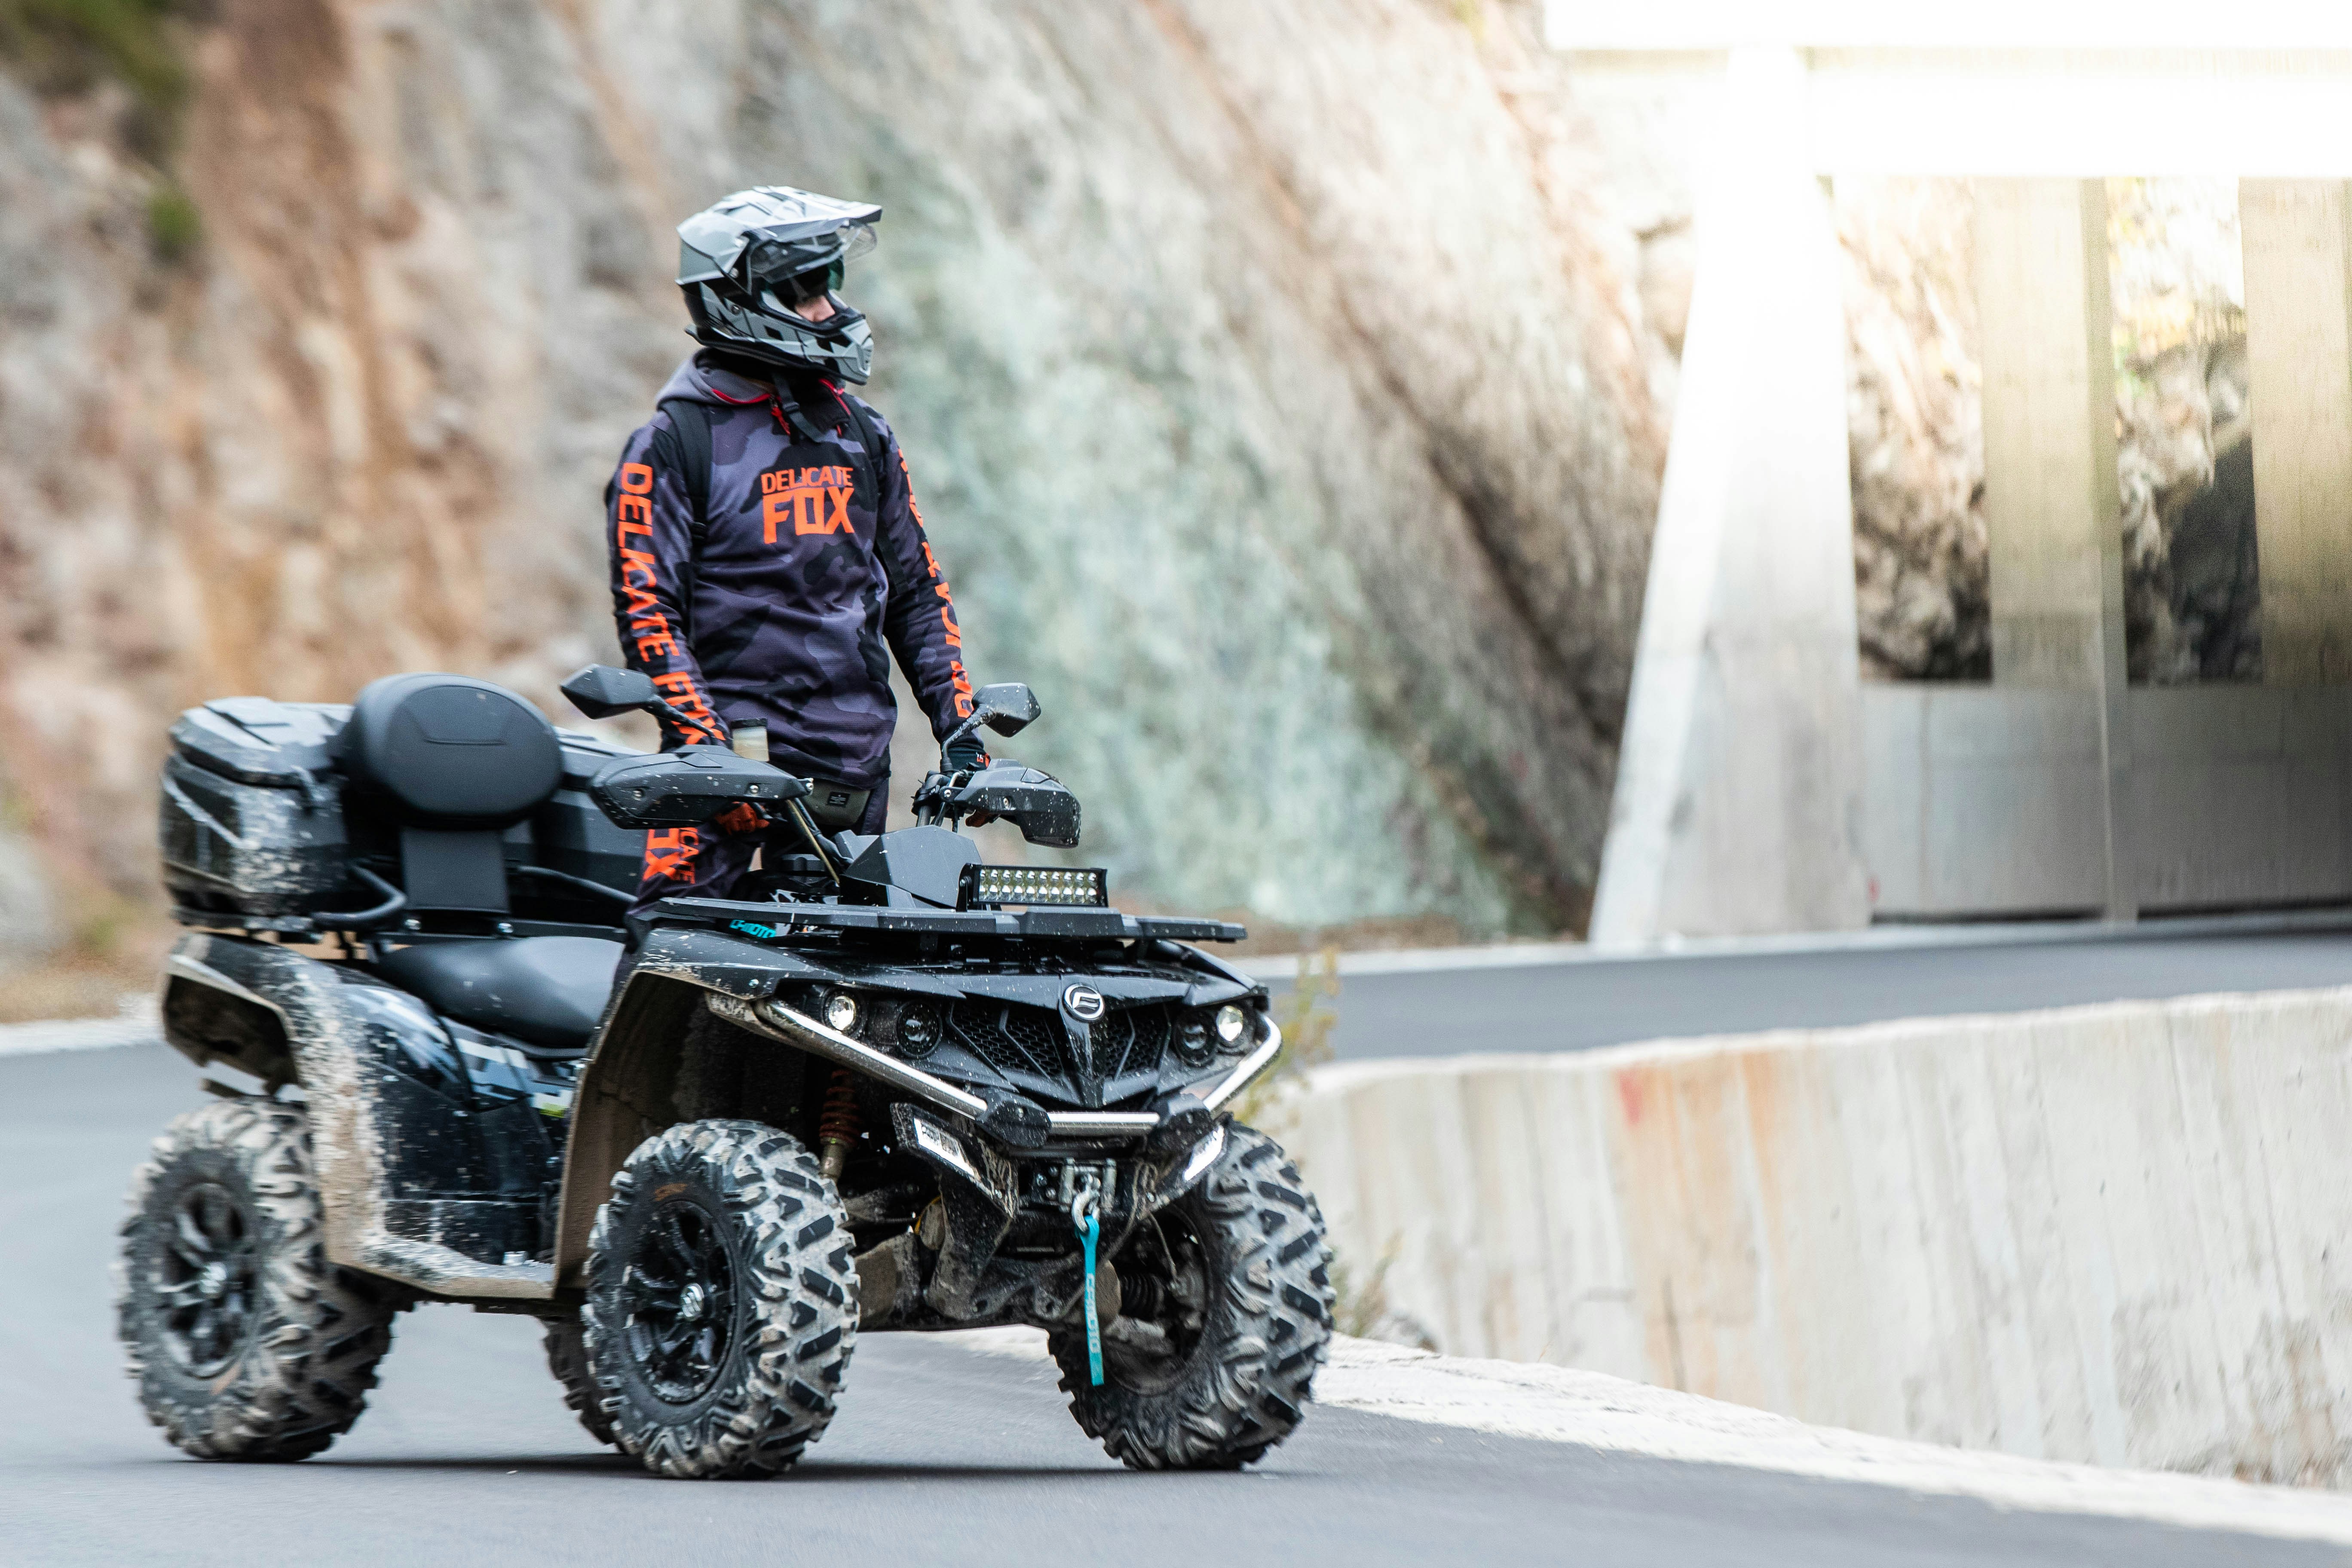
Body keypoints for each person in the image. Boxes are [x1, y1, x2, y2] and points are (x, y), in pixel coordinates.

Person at [605, 185, 982, 915]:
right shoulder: (674, 442)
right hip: (721, 783)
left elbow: (917, 593)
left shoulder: (861, 434)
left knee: (858, 990)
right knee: (669, 959)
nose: (828, 309)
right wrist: (711, 754)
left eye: (829, 286)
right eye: (804, 291)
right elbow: (649, 615)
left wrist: (961, 733)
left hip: (851, 774)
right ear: (738, 297)